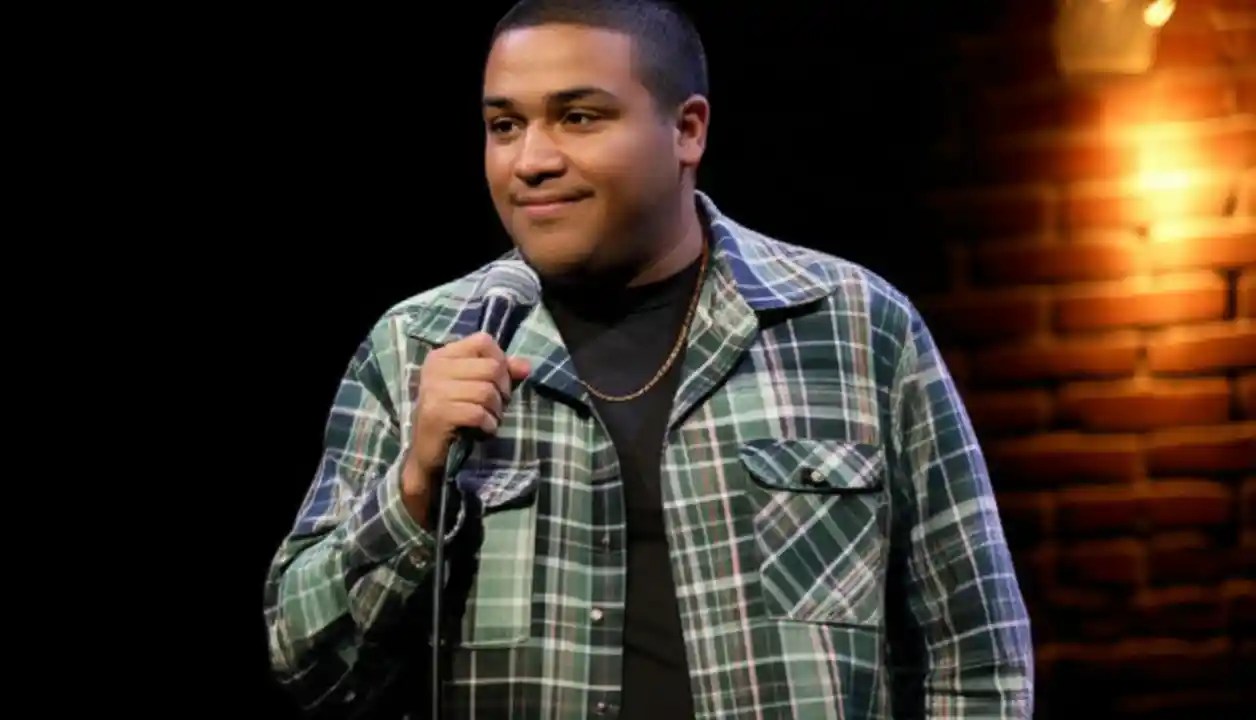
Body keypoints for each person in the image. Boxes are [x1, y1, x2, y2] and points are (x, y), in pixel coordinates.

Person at [262, 0, 1035, 718]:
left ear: (688, 130)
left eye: (578, 117)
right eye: (504, 126)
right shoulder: (418, 346)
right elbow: (306, 665)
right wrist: (414, 489)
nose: (530, 159)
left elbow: (975, 654)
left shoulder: (855, 327)